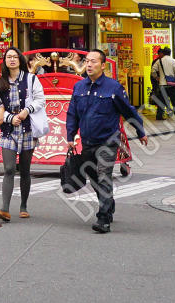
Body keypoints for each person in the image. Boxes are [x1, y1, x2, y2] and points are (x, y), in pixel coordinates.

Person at [64, 49, 149, 233]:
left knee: (103, 175)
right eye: (87, 61)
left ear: (103, 65)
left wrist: (140, 131)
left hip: (108, 141)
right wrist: (70, 136)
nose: (89, 65)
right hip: (87, 141)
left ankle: (103, 218)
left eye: (93, 62)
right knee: (94, 178)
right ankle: (108, 203)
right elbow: (72, 114)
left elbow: (128, 111)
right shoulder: (79, 88)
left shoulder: (113, 87)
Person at [0, 46, 46, 221]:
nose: (12, 60)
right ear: (5, 61)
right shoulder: (0, 83)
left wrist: (26, 111)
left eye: (15, 57)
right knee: (8, 169)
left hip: (27, 128)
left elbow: (40, 99)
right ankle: (4, 208)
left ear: (20, 60)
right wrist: (9, 118)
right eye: (8, 57)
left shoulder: (31, 79)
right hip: (9, 130)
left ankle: (23, 205)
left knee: (25, 169)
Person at [149, 46, 175, 122]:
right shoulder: (173, 61)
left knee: (161, 101)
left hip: (162, 84)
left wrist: (157, 77)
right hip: (172, 84)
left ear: (164, 53)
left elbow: (153, 71)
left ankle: (159, 115)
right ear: (170, 53)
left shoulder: (159, 61)